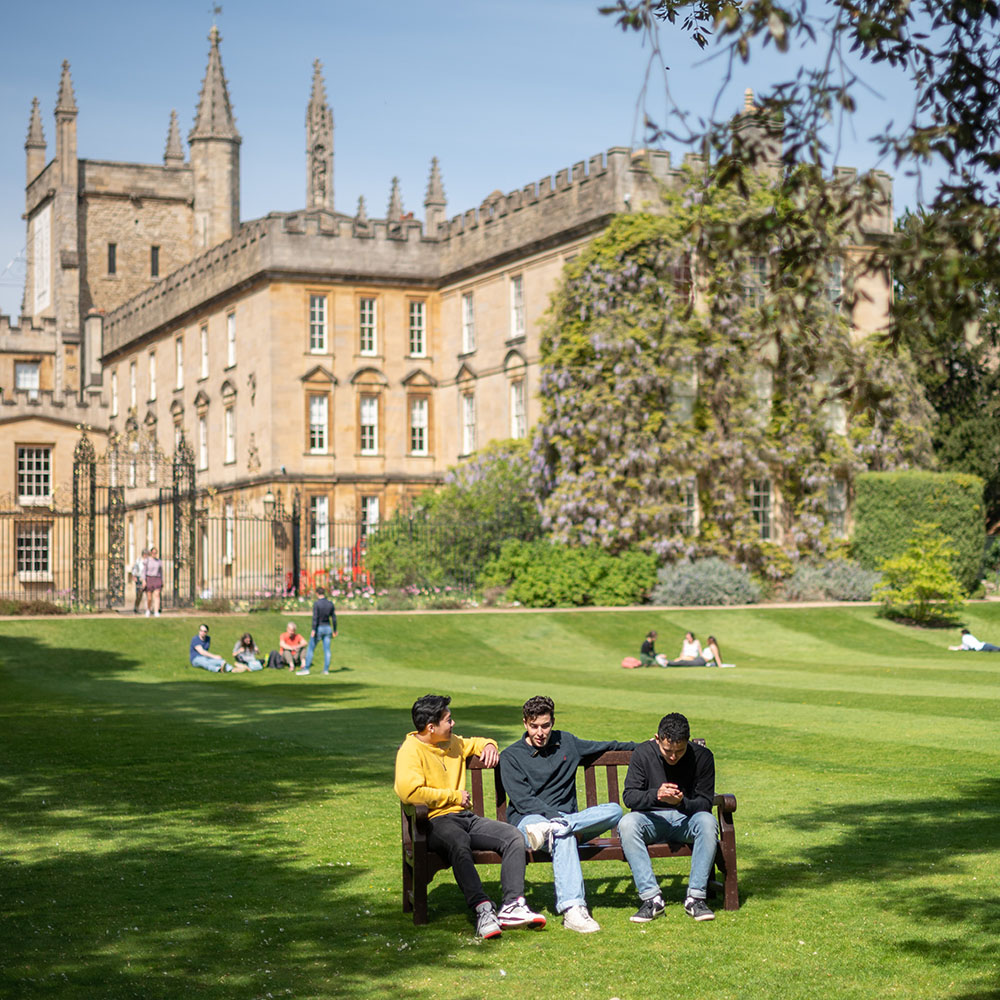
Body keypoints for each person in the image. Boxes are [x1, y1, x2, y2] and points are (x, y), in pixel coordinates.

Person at [394, 693, 546, 939]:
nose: (453, 724)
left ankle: (511, 906)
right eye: (448, 720)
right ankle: (483, 908)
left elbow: (479, 742)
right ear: (431, 727)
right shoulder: (410, 751)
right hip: (433, 823)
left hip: (466, 819)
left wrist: (489, 746)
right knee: (458, 843)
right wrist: (453, 797)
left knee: (512, 836)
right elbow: (409, 791)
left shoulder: (453, 741)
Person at [499, 695, 636, 933]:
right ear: (525, 724)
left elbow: (608, 746)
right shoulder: (511, 756)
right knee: (563, 835)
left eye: (545, 725)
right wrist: (558, 820)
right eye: (534, 726)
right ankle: (573, 909)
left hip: (562, 823)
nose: (540, 732)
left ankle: (561, 825)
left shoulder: (568, 742)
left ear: (553, 722)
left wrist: (649, 746)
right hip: (531, 822)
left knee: (614, 810)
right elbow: (523, 801)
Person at [618, 712, 717, 923]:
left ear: (688, 742)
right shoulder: (643, 753)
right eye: (667, 750)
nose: (673, 757)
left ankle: (696, 898)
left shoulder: (702, 757)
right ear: (657, 738)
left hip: (687, 820)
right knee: (627, 823)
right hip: (652, 820)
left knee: (708, 822)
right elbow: (629, 797)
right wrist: (656, 794)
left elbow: (705, 802)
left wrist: (681, 802)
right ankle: (652, 899)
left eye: (679, 751)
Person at [297, 586, 337, 675]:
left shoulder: (317, 604)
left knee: (311, 648)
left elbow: (315, 617)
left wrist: (313, 629)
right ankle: (326, 670)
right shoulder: (330, 603)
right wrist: (335, 630)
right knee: (327, 650)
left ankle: (306, 668)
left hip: (319, 627)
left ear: (317, 593)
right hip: (328, 628)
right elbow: (333, 618)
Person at [143, 547, 164, 617]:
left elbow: (161, 572)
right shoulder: (147, 561)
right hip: (149, 578)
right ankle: (148, 609)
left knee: (157, 595)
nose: (154, 554)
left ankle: (156, 611)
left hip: (157, 578)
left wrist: (162, 580)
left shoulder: (159, 561)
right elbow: (144, 571)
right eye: (153, 553)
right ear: (151, 553)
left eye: (155, 553)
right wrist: (144, 580)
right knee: (149, 597)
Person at [130, 549, 148, 614]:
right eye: (145, 554)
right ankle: (136, 607)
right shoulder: (139, 560)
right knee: (139, 594)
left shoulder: (148, 561)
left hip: (147, 578)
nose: (146, 555)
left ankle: (148, 609)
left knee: (148, 594)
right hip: (139, 578)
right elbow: (135, 568)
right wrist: (134, 576)